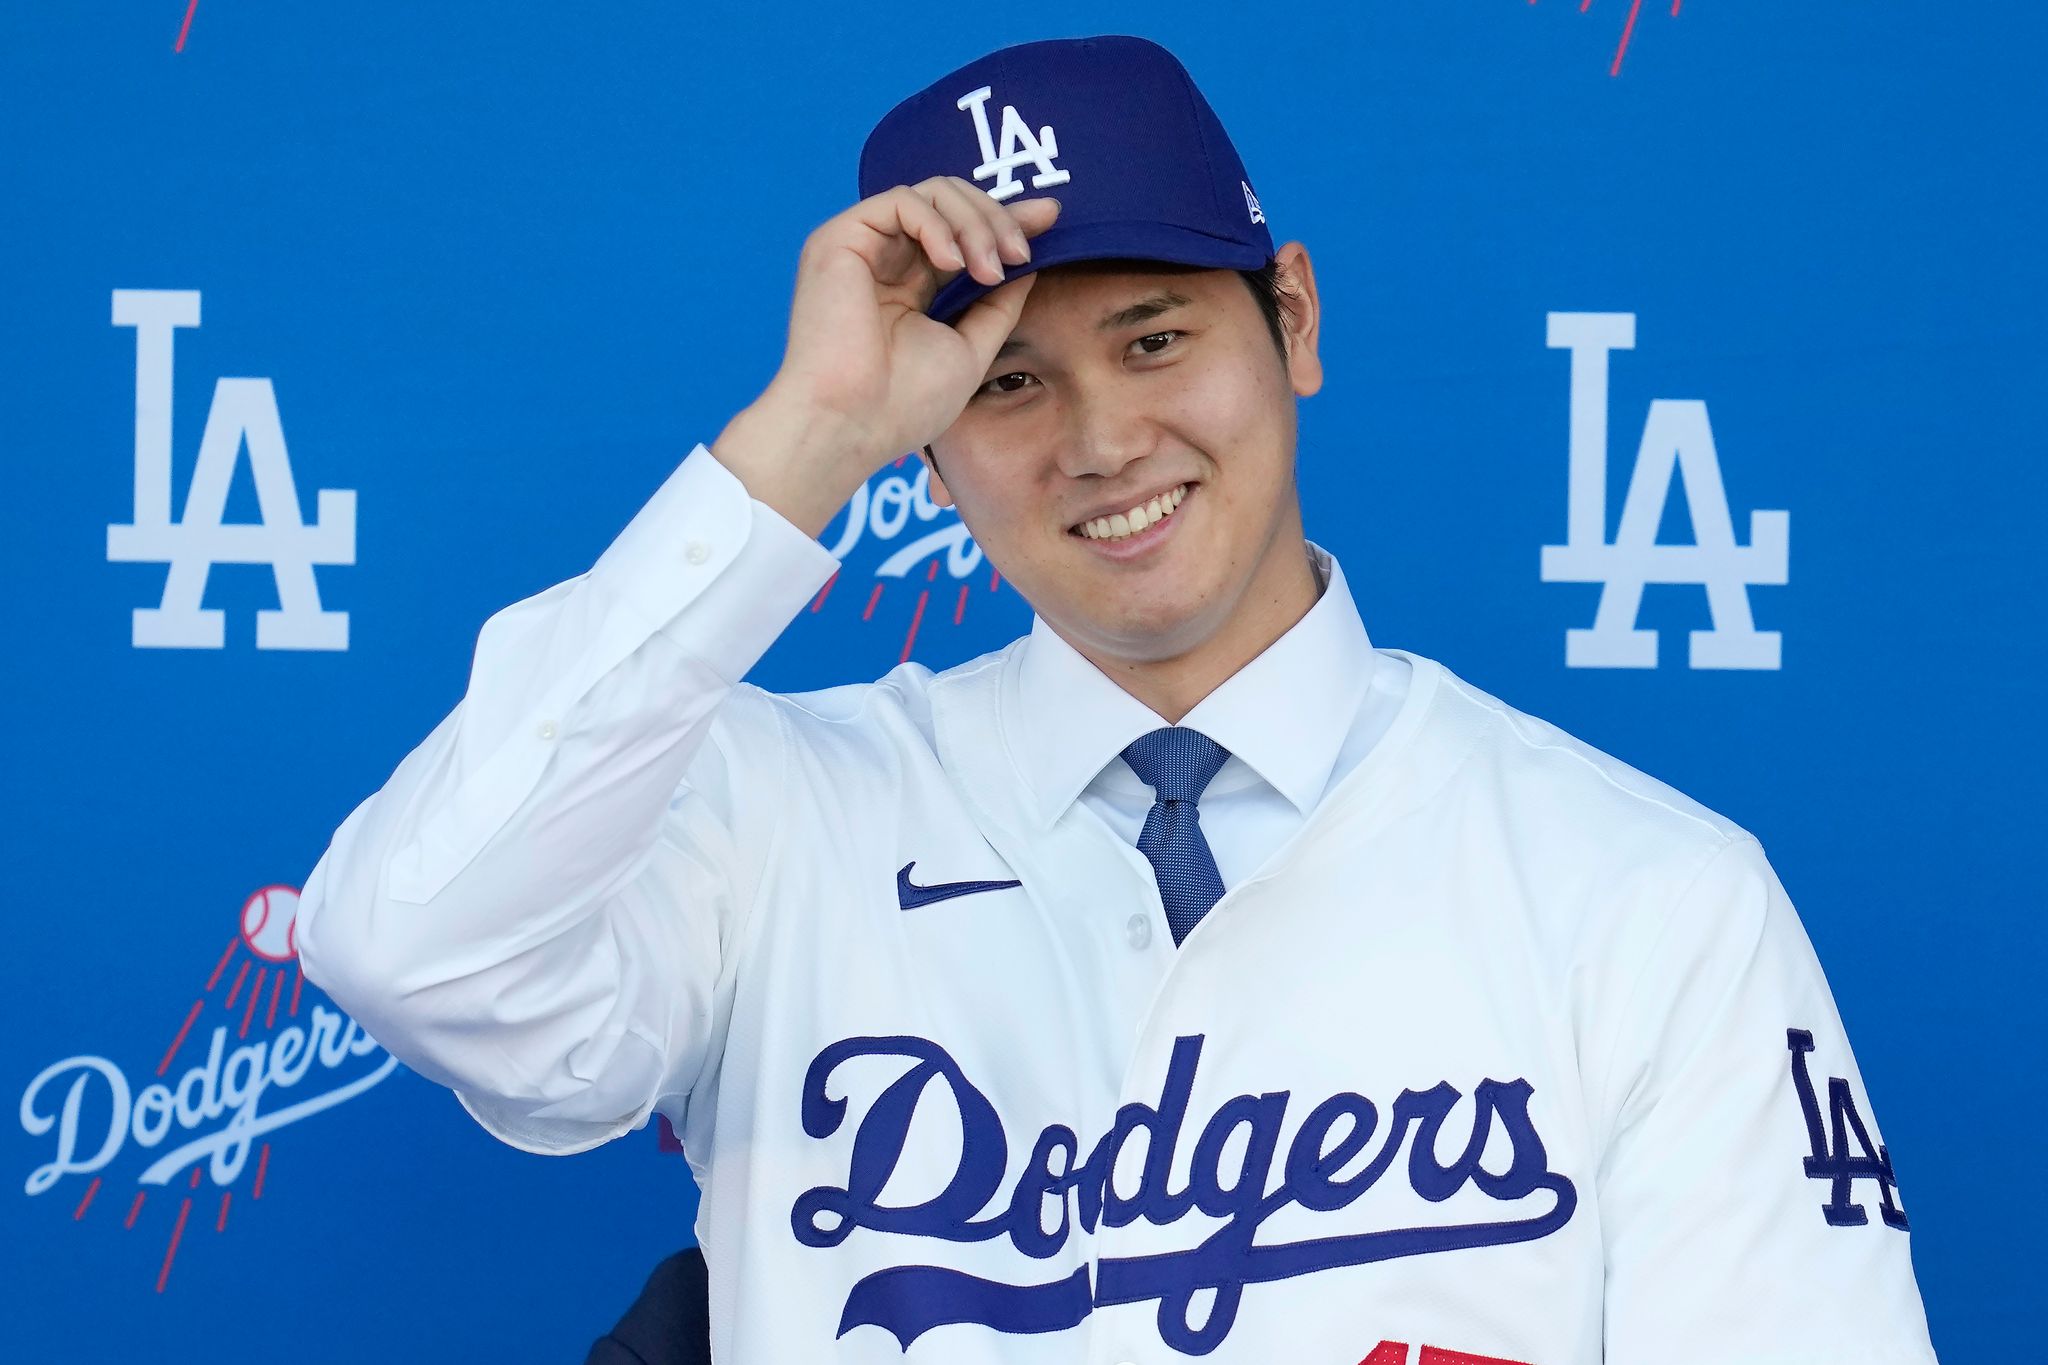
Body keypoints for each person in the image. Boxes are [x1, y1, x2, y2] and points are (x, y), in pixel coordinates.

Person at [298, 34, 1940, 1365]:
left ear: (1292, 317)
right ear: (924, 447)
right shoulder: (775, 811)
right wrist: (809, 431)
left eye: (1156, 340)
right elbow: (410, 943)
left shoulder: (1646, 894)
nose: (1099, 442)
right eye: (1008, 381)